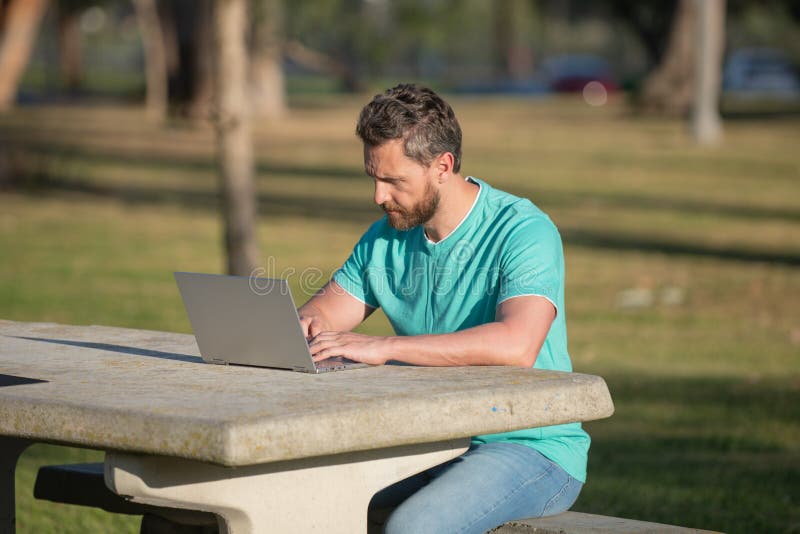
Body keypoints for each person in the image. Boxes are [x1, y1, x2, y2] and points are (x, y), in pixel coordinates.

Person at [298, 83, 589, 534]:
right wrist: (299, 328)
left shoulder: (524, 231)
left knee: (413, 527)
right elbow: (322, 318)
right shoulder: (385, 237)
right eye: (373, 178)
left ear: (442, 167)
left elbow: (517, 345)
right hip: (428, 439)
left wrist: (384, 348)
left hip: (528, 445)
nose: (378, 196)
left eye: (394, 181)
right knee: (300, 497)